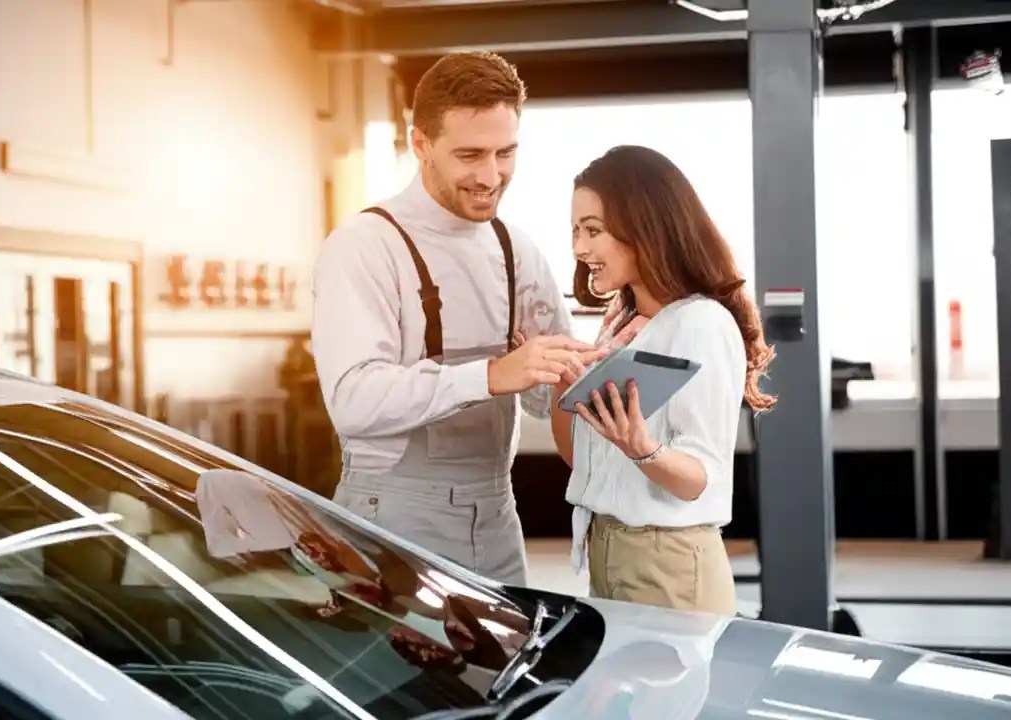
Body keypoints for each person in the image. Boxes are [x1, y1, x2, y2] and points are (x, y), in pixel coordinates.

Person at [311, 51, 596, 587]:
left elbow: (548, 398)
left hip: (497, 512)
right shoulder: (365, 245)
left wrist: (590, 371)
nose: (491, 175)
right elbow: (353, 400)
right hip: (393, 515)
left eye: (505, 153)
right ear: (420, 145)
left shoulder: (515, 248)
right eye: (470, 155)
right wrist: (492, 374)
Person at [552, 145, 776, 615]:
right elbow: (581, 460)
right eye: (575, 231)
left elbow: (701, 480)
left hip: (666, 562)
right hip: (608, 551)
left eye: (593, 230)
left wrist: (643, 450)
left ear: (645, 227)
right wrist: (560, 380)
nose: (579, 248)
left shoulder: (701, 323)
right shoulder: (621, 322)